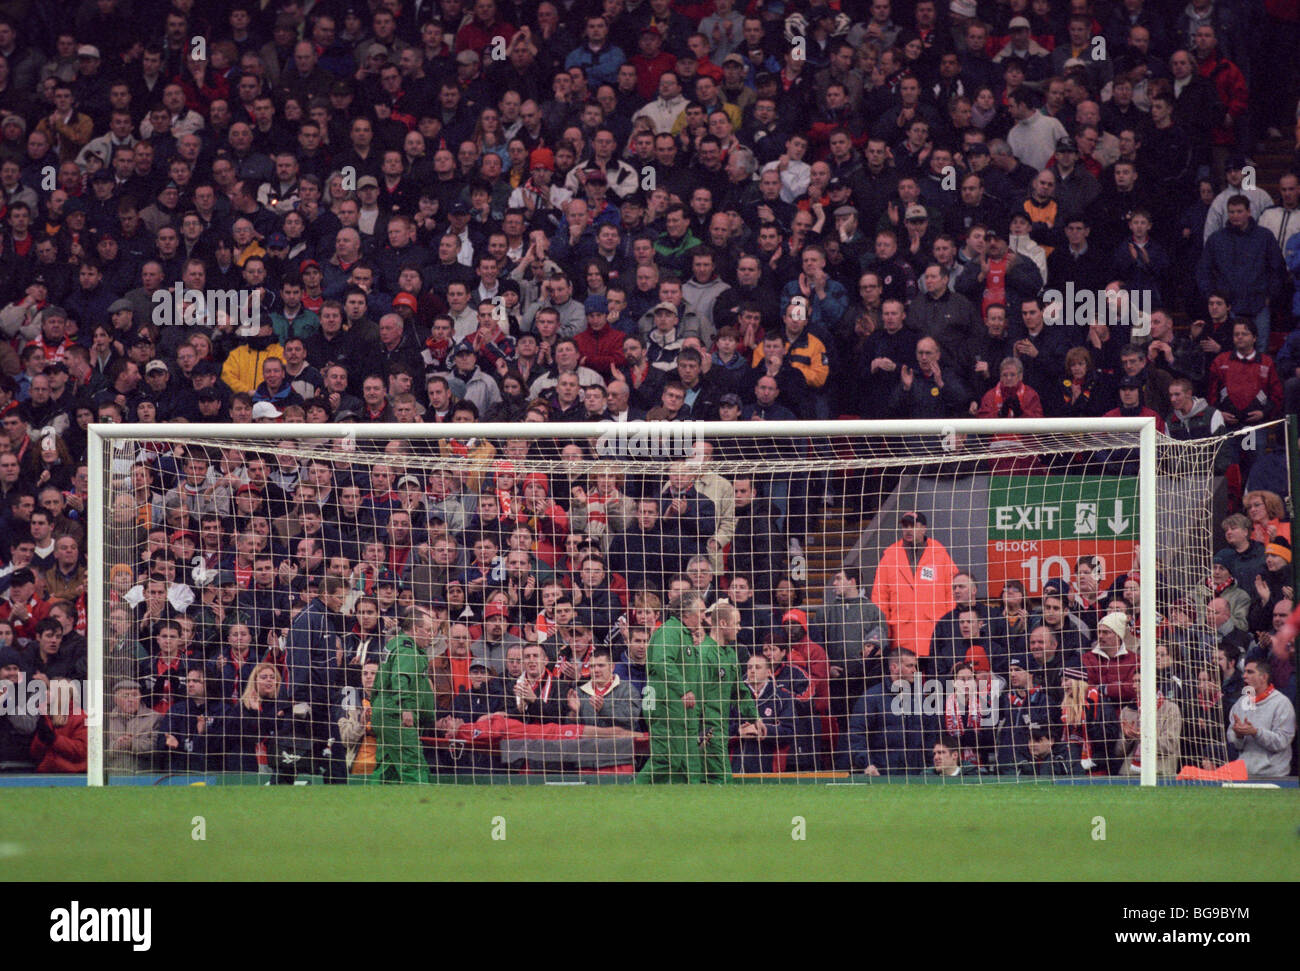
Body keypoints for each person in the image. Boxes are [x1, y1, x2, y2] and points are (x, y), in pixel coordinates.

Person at [870, 510, 958, 662]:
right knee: (904, 682)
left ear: (924, 528)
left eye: (913, 526)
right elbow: (880, 598)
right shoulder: (889, 557)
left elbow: (952, 593)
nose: (908, 530)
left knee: (933, 681)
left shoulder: (940, 555)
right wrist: (883, 632)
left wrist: (950, 627)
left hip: (935, 635)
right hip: (901, 636)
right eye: (905, 526)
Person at [638, 591, 707, 783]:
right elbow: (662, 662)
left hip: (679, 709)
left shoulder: (684, 635)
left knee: (686, 762)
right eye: (701, 612)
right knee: (666, 760)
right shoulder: (670, 632)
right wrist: (684, 689)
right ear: (685, 614)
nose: (704, 616)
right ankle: (630, 795)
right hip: (665, 706)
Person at [370, 608, 436, 784]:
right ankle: (423, 806)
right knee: (414, 764)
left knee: (387, 768)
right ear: (415, 629)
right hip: (396, 715)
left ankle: (370, 805)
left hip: (384, 711)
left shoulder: (395, 645)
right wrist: (406, 708)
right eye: (428, 630)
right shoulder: (408, 650)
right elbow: (400, 678)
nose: (431, 636)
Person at [695, 600, 757, 783]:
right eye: (736, 623)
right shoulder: (704, 655)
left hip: (722, 729)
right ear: (722, 623)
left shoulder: (730, 654)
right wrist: (698, 730)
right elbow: (696, 694)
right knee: (719, 781)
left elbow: (740, 691)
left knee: (717, 781)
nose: (739, 628)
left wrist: (755, 717)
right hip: (707, 731)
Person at [1226, 657, 1296, 778]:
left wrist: (1256, 732)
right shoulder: (1241, 703)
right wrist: (1239, 735)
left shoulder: (1282, 703)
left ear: (1264, 677)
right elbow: (1233, 740)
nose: (1244, 676)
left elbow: (1282, 741)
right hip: (1244, 772)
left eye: (1250, 672)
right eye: (1244, 672)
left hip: (1274, 775)